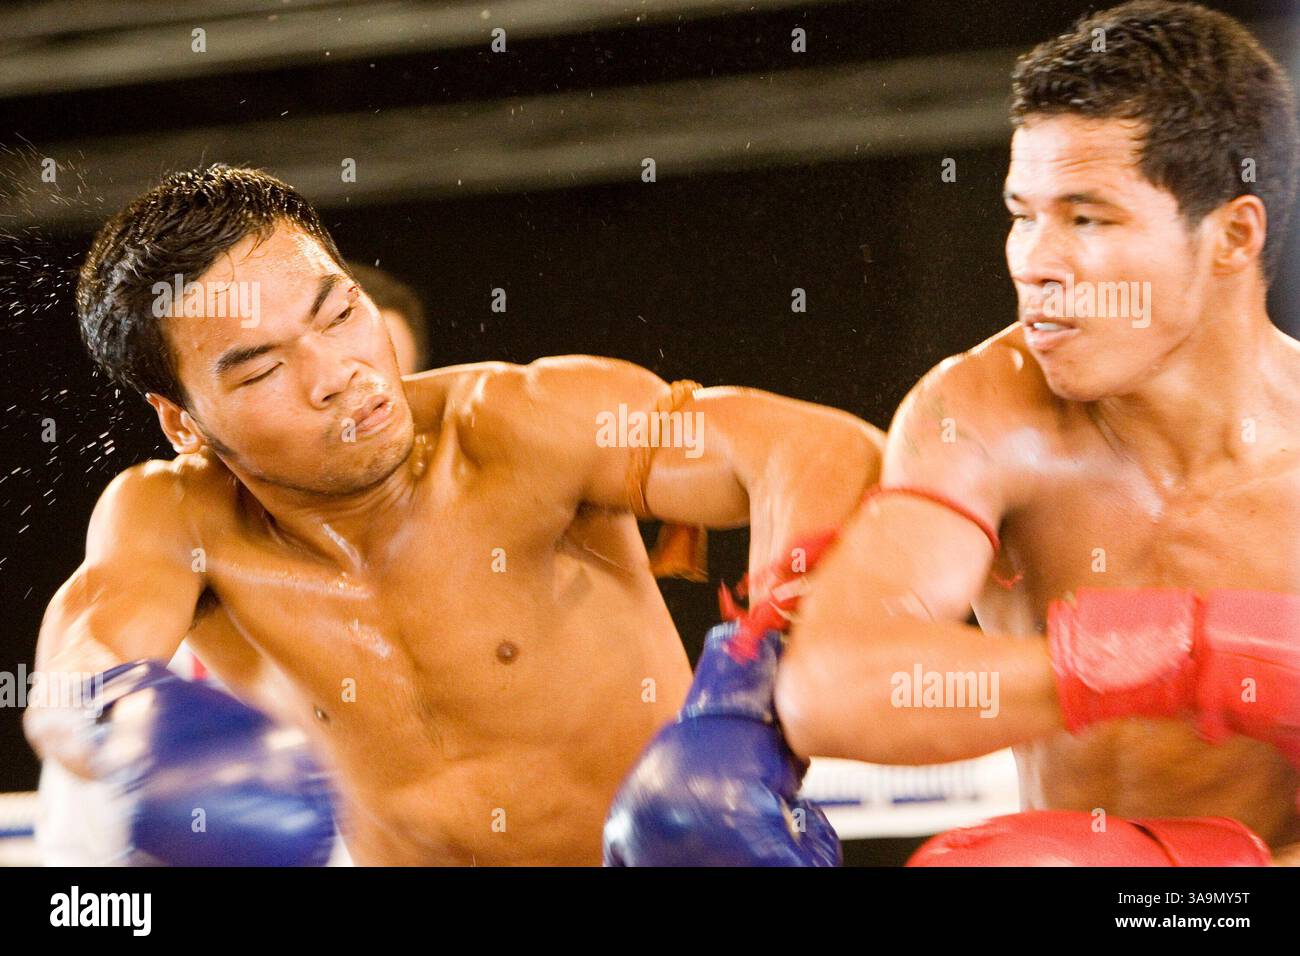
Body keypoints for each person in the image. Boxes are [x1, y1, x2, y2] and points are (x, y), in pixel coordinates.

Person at [23, 164, 883, 865]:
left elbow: (819, 452)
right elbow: (76, 660)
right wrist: (122, 715)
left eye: (339, 313)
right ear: (183, 421)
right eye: (260, 371)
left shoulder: (523, 423)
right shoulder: (174, 515)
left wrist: (756, 687)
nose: (338, 374)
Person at [605, 0, 1300, 866]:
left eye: (1088, 218)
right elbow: (834, 687)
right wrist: (1186, 654)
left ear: (1233, 235)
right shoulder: (984, 408)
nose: (1034, 262)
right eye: (1022, 212)